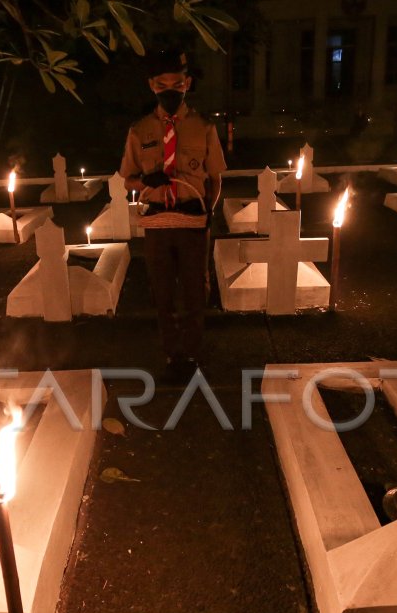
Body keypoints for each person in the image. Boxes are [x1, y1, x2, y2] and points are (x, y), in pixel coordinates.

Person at [120, 50, 226, 379]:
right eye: (162, 84)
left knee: (196, 290)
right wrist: (144, 181)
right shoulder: (140, 130)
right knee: (162, 290)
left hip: (193, 218)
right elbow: (127, 178)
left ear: (187, 83)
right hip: (157, 221)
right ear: (151, 85)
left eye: (177, 84)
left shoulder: (203, 127)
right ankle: (171, 355)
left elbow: (215, 177)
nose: (170, 91)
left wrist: (208, 212)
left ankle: (192, 354)